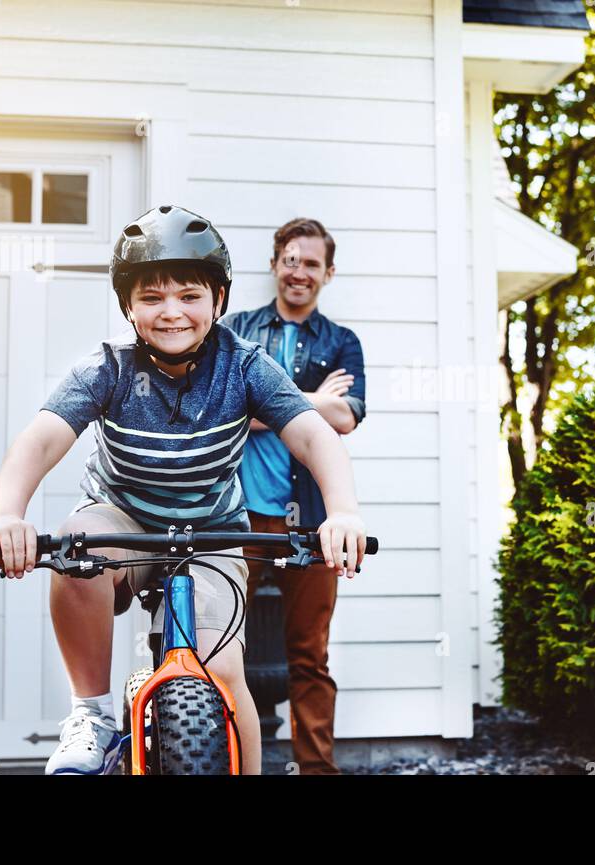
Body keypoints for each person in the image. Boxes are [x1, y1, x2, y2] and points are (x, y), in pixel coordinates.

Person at [0, 205, 366, 775]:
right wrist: (6, 511)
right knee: (73, 546)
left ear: (217, 299)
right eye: (152, 297)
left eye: (189, 295)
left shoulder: (244, 365)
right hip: (125, 521)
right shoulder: (108, 366)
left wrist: (342, 512)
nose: (172, 312)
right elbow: (40, 440)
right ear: (128, 306)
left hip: (210, 533)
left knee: (226, 675)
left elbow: (314, 435)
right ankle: (91, 715)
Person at [228, 217, 366, 775]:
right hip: (236, 517)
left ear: (328, 273)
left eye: (311, 263)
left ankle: (317, 771)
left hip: (310, 521)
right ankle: (222, 762)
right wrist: (310, 399)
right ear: (274, 264)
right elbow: (229, 407)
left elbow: (345, 418)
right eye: (291, 259)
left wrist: (270, 404)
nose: (299, 272)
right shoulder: (235, 331)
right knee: (219, 647)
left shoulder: (341, 342)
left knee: (309, 656)